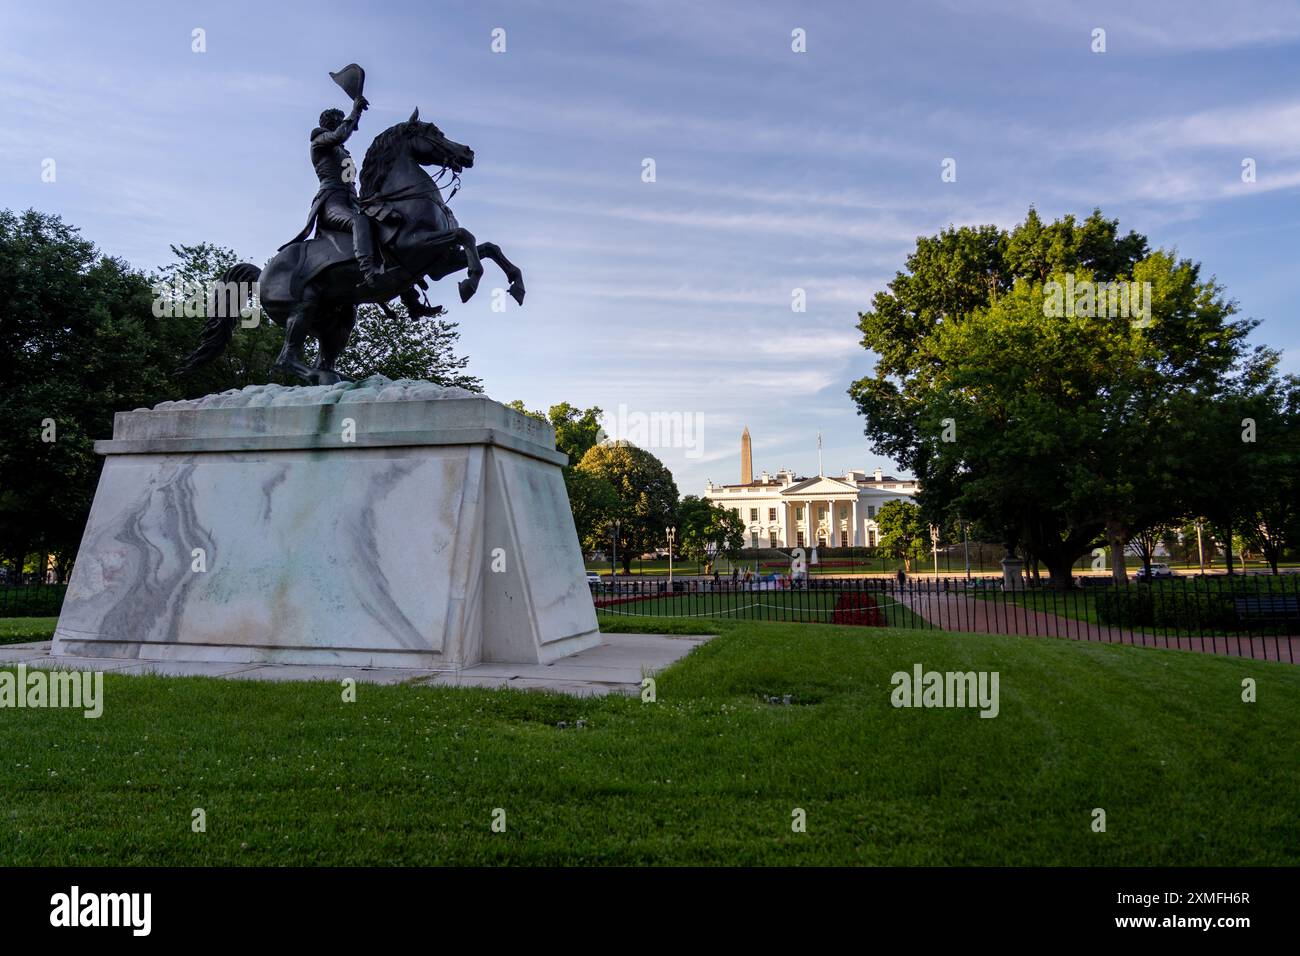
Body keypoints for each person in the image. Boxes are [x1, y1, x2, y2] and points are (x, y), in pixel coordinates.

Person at [286, 95, 382, 286]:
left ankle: (410, 298)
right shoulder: (319, 141)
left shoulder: (342, 152)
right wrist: (355, 111)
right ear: (332, 123)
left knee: (382, 226)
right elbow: (341, 134)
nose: (343, 125)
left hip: (351, 201)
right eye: (340, 122)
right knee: (359, 222)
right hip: (332, 202)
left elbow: (350, 181)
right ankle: (368, 271)